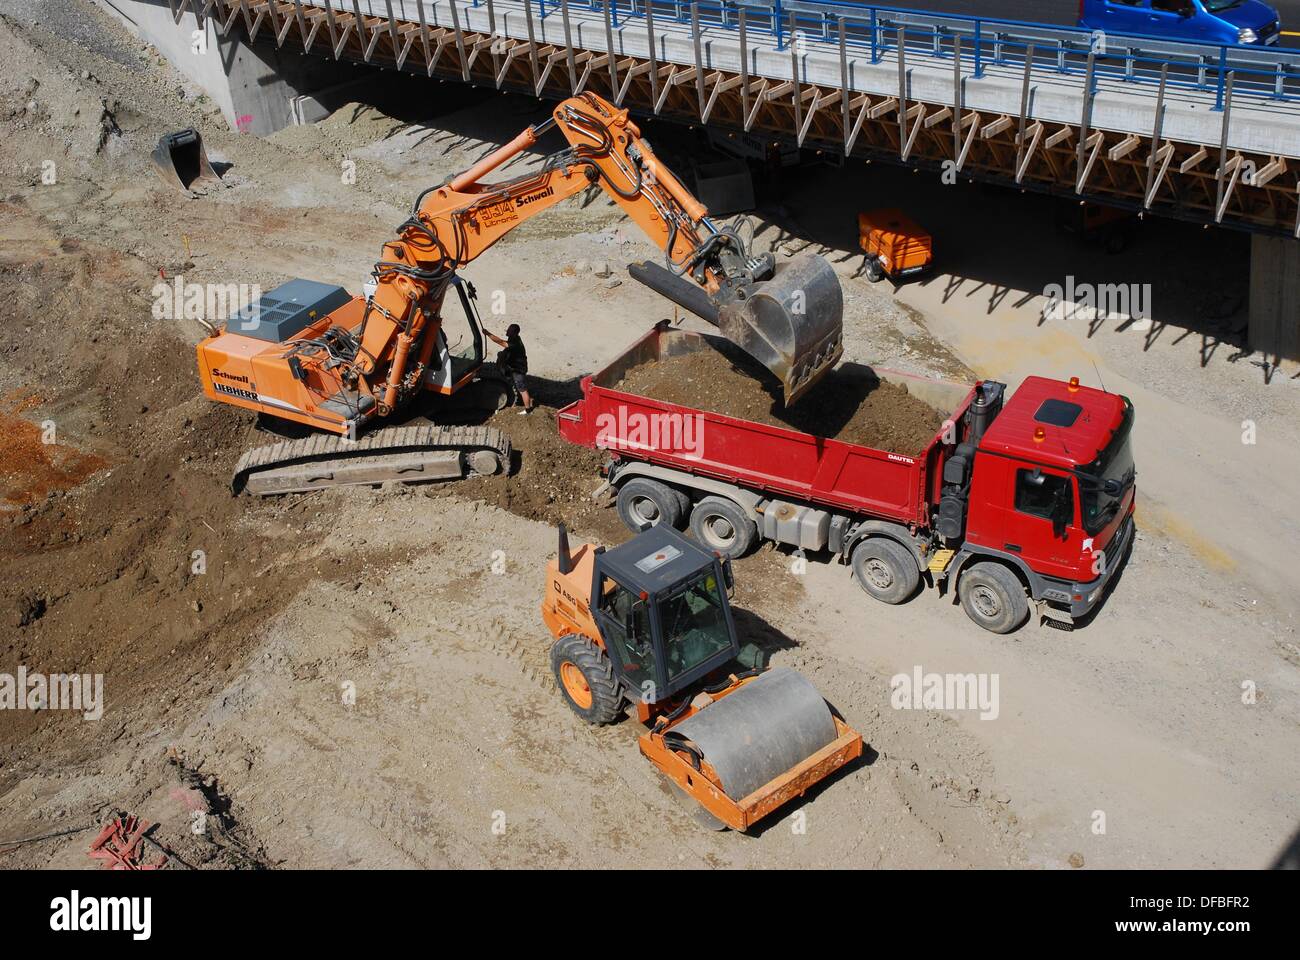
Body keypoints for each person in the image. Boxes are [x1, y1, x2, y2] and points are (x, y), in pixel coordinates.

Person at [486, 322, 533, 414]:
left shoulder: (514, 343)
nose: (507, 331)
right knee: (517, 384)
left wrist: (488, 334)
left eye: (510, 330)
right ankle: (522, 399)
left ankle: (528, 409)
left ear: (514, 333)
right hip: (516, 367)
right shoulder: (515, 338)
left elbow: (500, 342)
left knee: (522, 389)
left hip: (518, 369)